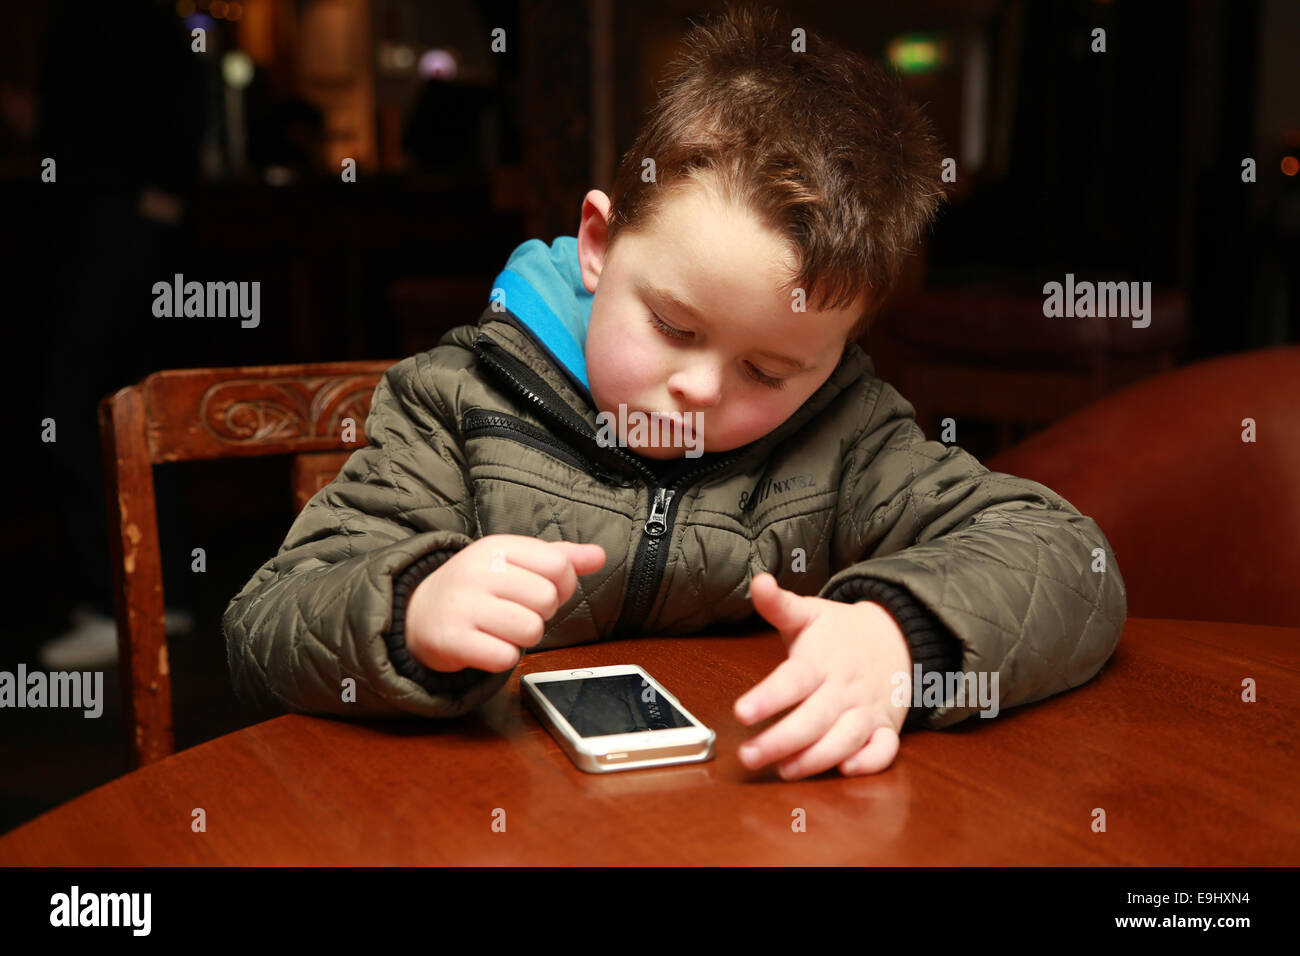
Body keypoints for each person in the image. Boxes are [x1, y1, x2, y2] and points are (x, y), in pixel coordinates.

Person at [222, 7, 1126, 780]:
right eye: (673, 326)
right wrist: (409, 611)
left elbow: (1065, 559)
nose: (696, 387)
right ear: (600, 244)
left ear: (835, 352)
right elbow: (265, 627)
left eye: (768, 372)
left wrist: (903, 639)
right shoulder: (454, 406)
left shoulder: (849, 438)